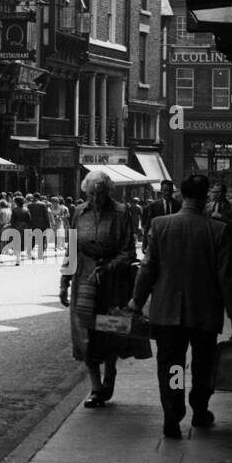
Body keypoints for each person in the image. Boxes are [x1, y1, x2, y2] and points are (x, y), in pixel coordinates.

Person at [128, 173, 232, 439]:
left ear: (182, 197)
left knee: (173, 365)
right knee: (203, 363)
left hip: (167, 312)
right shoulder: (218, 230)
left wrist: (137, 301)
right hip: (204, 311)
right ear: (204, 198)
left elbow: (147, 269)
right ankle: (199, 410)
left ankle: (173, 412)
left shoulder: (160, 225)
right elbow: (227, 278)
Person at [59, 169, 147, 409]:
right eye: (91, 194)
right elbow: (72, 248)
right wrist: (64, 282)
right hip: (83, 279)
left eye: (99, 194)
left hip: (112, 280)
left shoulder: (121, 213)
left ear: (108, 192)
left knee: (109, 331)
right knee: (84, 333)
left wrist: (108, 267)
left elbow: (128, 250)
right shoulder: (78, 212)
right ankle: (96, 388)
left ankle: (109, 378)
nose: (95, 199)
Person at [142, 179, 181, 255]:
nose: (167, 193)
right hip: (158, 241)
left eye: (169, 190)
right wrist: (145, 243)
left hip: (173, 241)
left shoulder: (177, 205)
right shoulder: (154, 205)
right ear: (161, 190)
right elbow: (148, 225)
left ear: (172, 191)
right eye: (165, 190)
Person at [30, 193, 51, 259]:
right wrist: (48, 225)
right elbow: (46, 215)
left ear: (34, 197)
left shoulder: (30, 205)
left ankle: (30, 252)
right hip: (42, 224)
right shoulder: (43, 204)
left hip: (32, 224)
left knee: (33, 238)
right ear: (39, 197)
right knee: (42, 239)